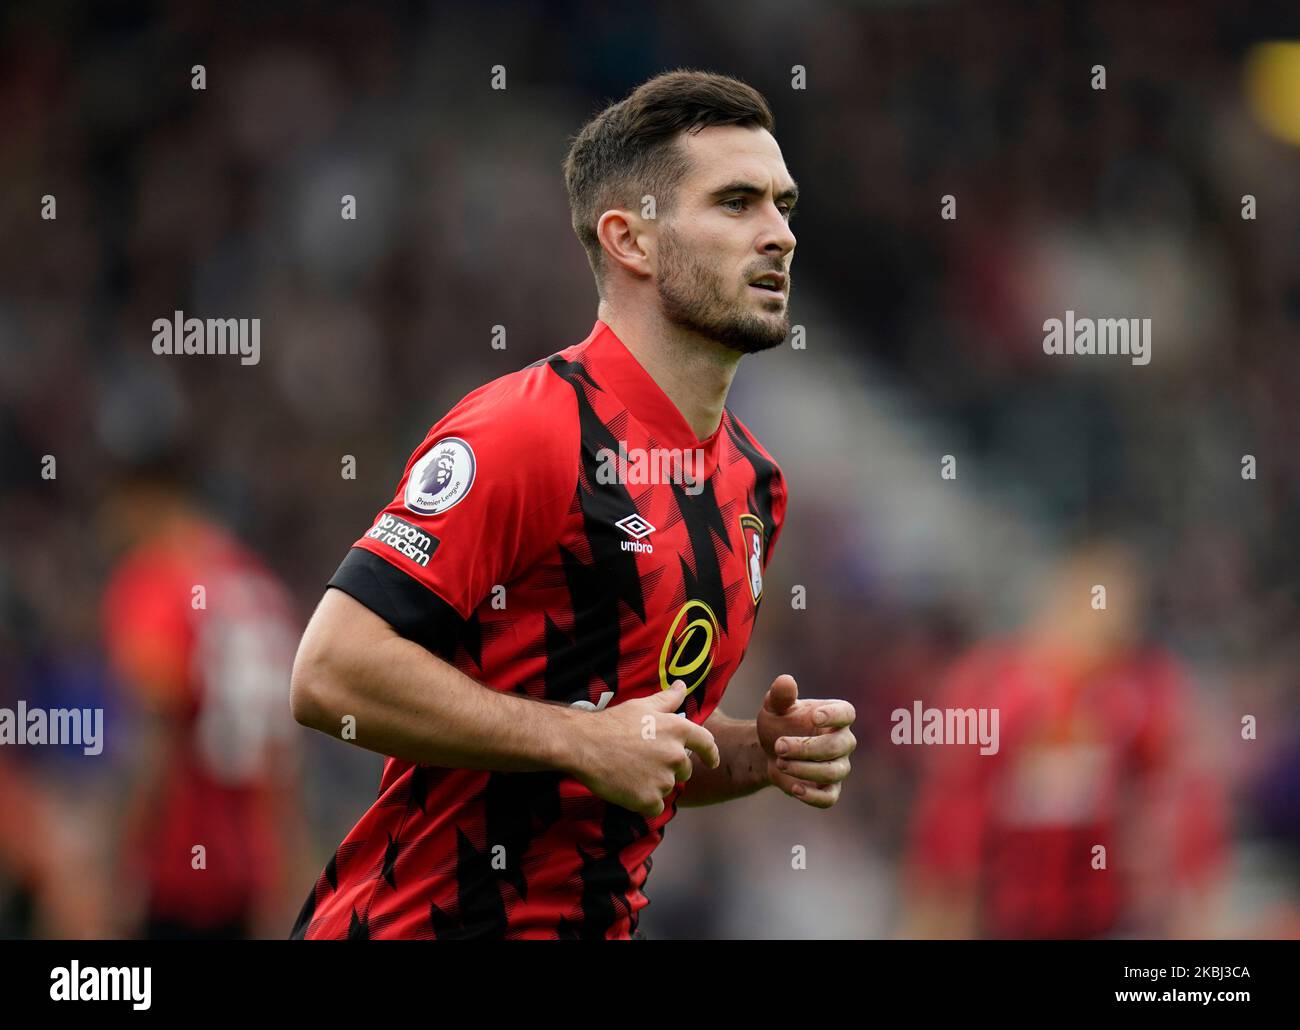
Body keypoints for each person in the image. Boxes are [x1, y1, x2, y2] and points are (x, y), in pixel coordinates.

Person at [289, 69, 857, 940]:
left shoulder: (753, 484)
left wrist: (754, 753)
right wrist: (575, 739)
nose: (779, 234)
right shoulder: (526, 431)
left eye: (783, 205)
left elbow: (632, 745)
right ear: (630, 240)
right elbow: (331, 672)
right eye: (737, 203)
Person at [101, 453, 306, 939]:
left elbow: (159, 729)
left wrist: (122, 857)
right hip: (250, 864)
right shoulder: (257, 583)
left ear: (144, 498)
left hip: (177, 864)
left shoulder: (155, 580)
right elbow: (285, 745)